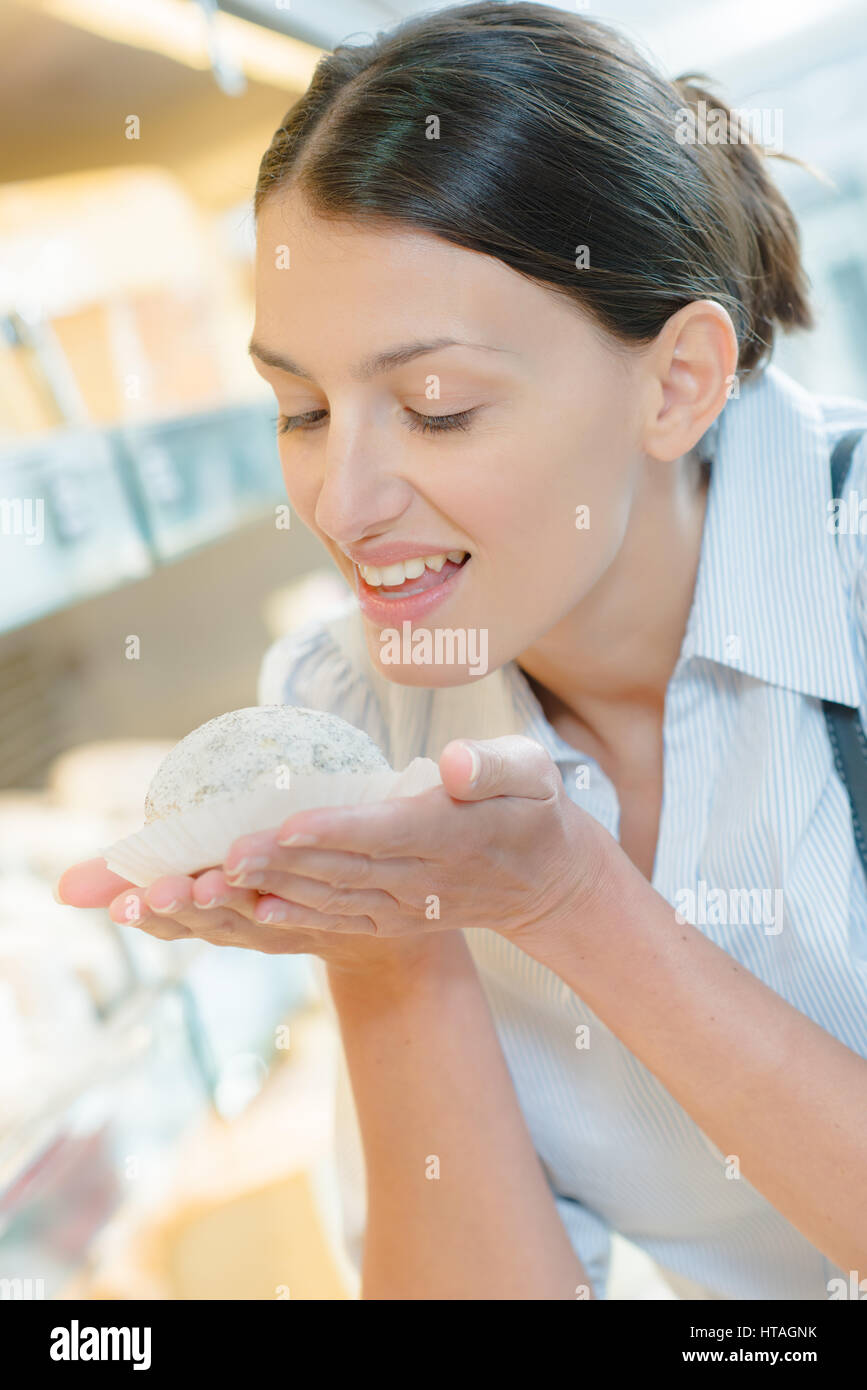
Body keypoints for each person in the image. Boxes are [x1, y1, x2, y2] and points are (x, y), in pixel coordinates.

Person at [58, 3, 867, 1300]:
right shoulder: (349, 717)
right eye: (304, 409)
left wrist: (571, 904)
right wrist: (386, 938)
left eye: (438, 407)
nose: (342, 499)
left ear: (677, 384)